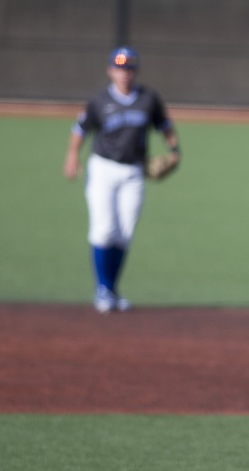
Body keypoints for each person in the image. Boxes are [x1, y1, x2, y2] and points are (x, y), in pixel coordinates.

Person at [64, 45, 180, 314]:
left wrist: (175, 151)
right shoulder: (98, 101)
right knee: (104, 231)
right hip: (102, 169)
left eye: (129, 67)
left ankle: (112, 291)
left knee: (124, 233)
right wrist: (72, 157)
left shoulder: (149, 99)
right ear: (110, 71)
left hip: (134, 172)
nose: (124, 72)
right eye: (119, 67)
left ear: (135, 71)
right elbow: (79, 130)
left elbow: (165, 125)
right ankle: (103, 290)